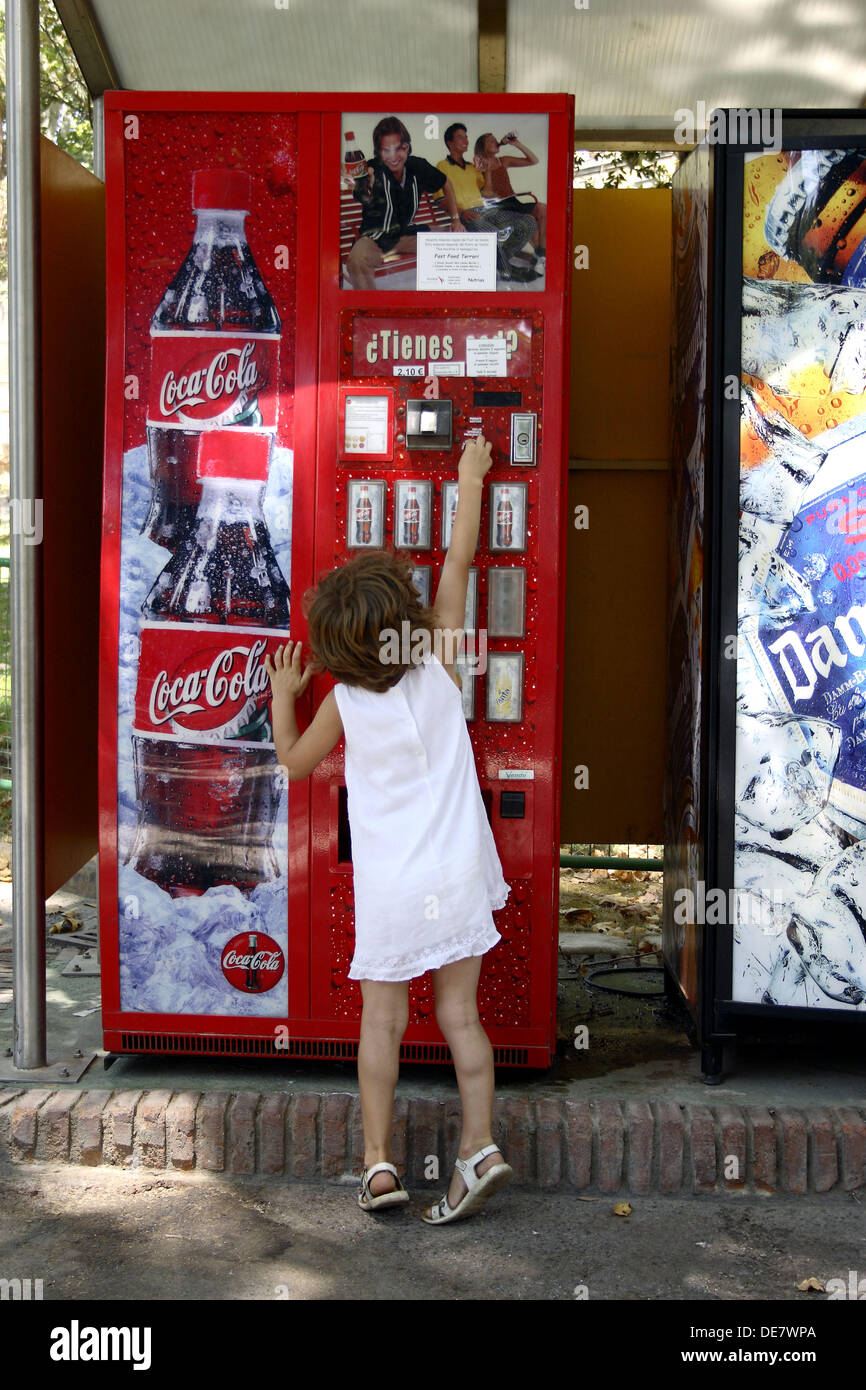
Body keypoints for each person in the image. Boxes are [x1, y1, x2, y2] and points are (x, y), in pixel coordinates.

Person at [264, 435, 514, 1225]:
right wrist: (469, 476)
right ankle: (479, 1145)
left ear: (336, 650)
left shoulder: (342, 701)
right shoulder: (437, 651)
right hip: (463, 870)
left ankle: (378, 1166)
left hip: (396, 886)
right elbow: (460, 563)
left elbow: (296, 764)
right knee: (462, 1017)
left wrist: (284, 695)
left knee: (384, 1021)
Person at [345, 115, 463, 290]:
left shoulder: (418, 166)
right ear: (378, 152)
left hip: (408, 234)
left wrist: (455, 219)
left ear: (407, 147)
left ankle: (444, 305)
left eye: (399, 148)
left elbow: (445, 182)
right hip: (375, 238)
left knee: (459, 243)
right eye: (386, 150)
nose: (393, 157)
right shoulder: (371, 170)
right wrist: (362, 186)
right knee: (356, 260)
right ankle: (369, 311)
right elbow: (362, 192)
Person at [436, 122, 540, 282]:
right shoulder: (442, 167)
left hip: (487, 211)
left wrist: (489, 170)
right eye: (460, 137)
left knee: (529, 222)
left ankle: (501, 259)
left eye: (466, 137)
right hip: (467, 216)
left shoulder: (472, 168)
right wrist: (461, 213)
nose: (466, 140)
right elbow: (441, 201)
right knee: (494, 235)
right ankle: (509, 271)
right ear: (450, 143)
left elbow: (488, 195)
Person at [473, 131, 547, 267]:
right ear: (482, 147)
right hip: (498, 207)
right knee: (531, 227)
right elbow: (486, 194)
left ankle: (541, 253)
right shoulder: (478, 166)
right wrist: (487, 170)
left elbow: (534, 160)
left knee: (542, 208)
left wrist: (516, 143)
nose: (495, 142)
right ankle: (537, 259)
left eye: (495, 139)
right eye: (490, 141)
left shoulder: (503, 161)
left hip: (513, 201)